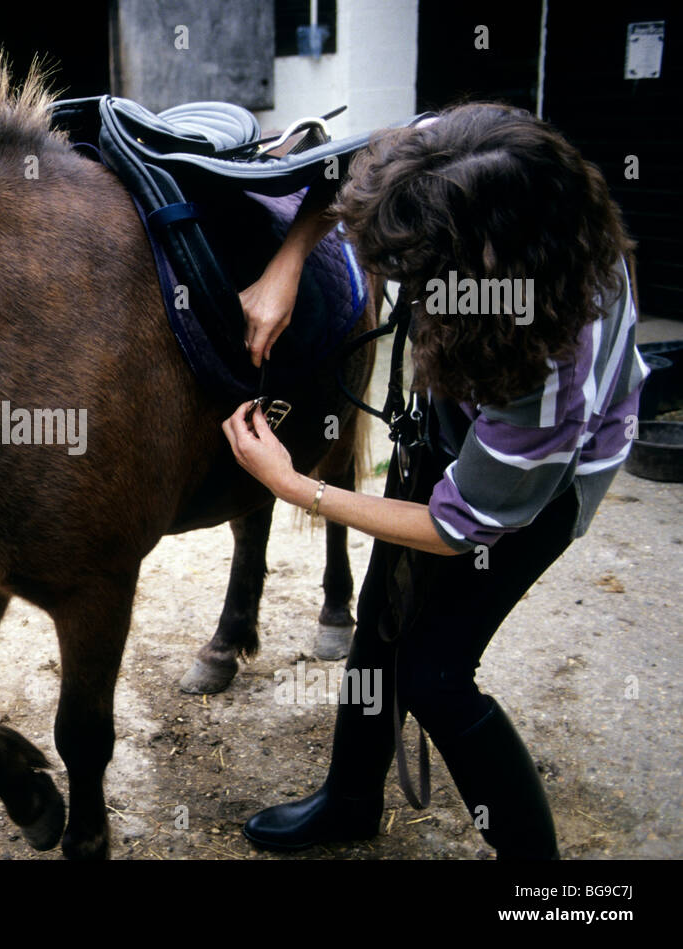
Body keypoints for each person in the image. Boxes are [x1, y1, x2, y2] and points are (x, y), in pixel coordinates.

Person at [224, 102, 648, 858]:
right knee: (383, 606)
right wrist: (288, 265)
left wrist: (297, 487)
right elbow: (346, 185)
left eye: (407, 270)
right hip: (470, 401)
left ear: (477, 276)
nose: (386, 276)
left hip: (541, 483)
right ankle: (350, 800)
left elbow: (460, 527)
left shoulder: (547, 382)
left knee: (435, 671)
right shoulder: (449, 154)